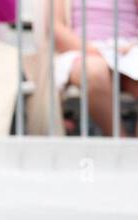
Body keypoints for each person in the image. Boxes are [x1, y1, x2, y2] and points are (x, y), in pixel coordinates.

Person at [52, 0, 138, 136]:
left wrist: (129, 48)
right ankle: (120, 143)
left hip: (129, 50)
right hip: (82, 51)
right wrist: (96, 51)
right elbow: (55, 28)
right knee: (94, 72)